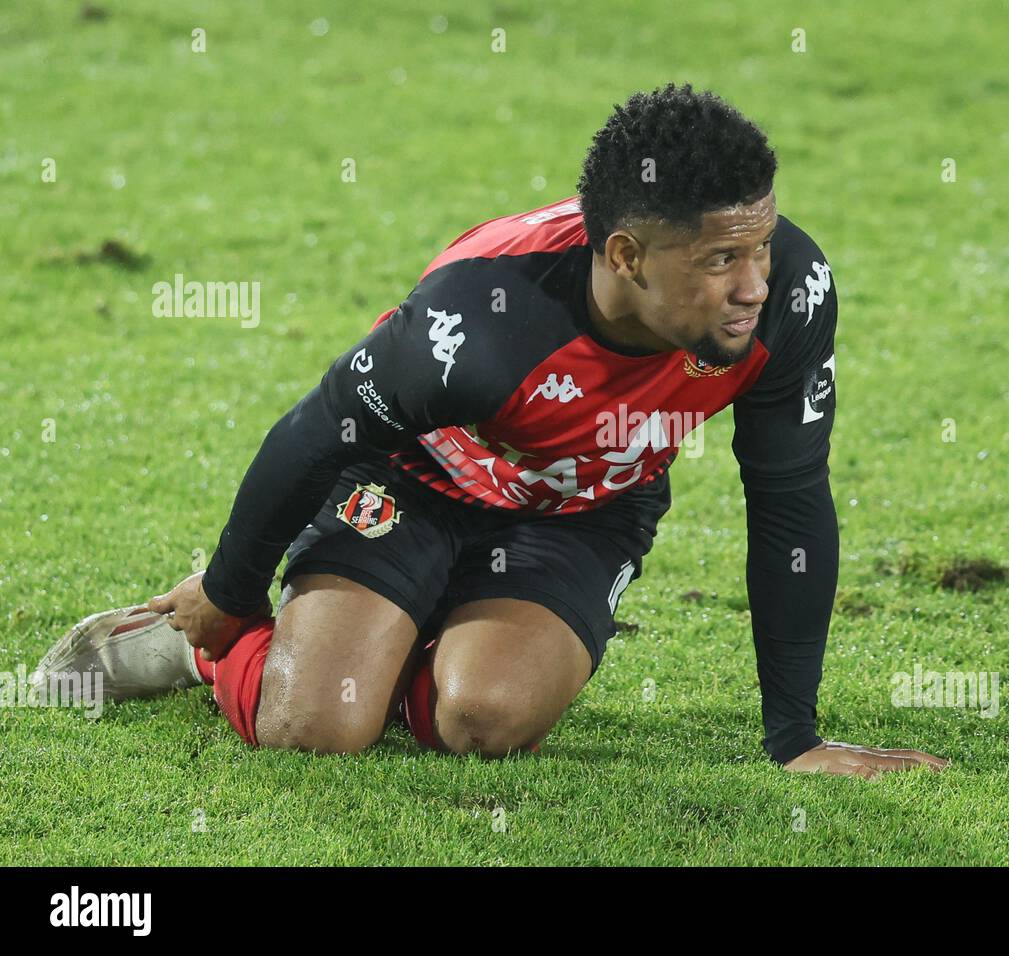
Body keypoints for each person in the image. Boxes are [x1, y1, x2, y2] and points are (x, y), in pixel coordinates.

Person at [37, 83, 947, 780]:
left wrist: (795, 736)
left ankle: (399, 630)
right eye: (720, 258)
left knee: (486, 720)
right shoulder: (480, 320)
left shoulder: (791, 294)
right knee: (316, 729)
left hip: (584, 510)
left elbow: (789, 501)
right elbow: (317, 435)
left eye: (761, 244)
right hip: (415, 485)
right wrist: (231, 594)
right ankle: (203, 654)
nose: (755, 281)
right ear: (625, 256)